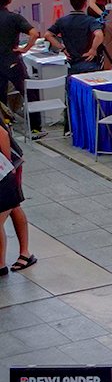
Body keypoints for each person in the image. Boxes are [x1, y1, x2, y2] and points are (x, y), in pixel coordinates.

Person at [0, 113, 30, 278]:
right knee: (12, 206)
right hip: (5, 165)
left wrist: (8, 165)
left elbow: (3, 134)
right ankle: (23, 253)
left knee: (12, 204)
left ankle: (23, 253)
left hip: (7, 164)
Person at [49, 0, 108, 72]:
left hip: (71, 64)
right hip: (89, 62)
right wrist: (93, 50)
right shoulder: (90, 20)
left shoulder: (62, 21)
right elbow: (99, 35)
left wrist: (62, 49)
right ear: (85, 3)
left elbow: (48, 35)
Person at [0, 0, 35, 113]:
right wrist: (25, 48)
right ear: (9, 0)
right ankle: (35, 127)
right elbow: (34, 33)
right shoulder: (14, 18)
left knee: (1, 97)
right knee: (28, 91)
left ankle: (5, 127)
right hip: (12, 61)